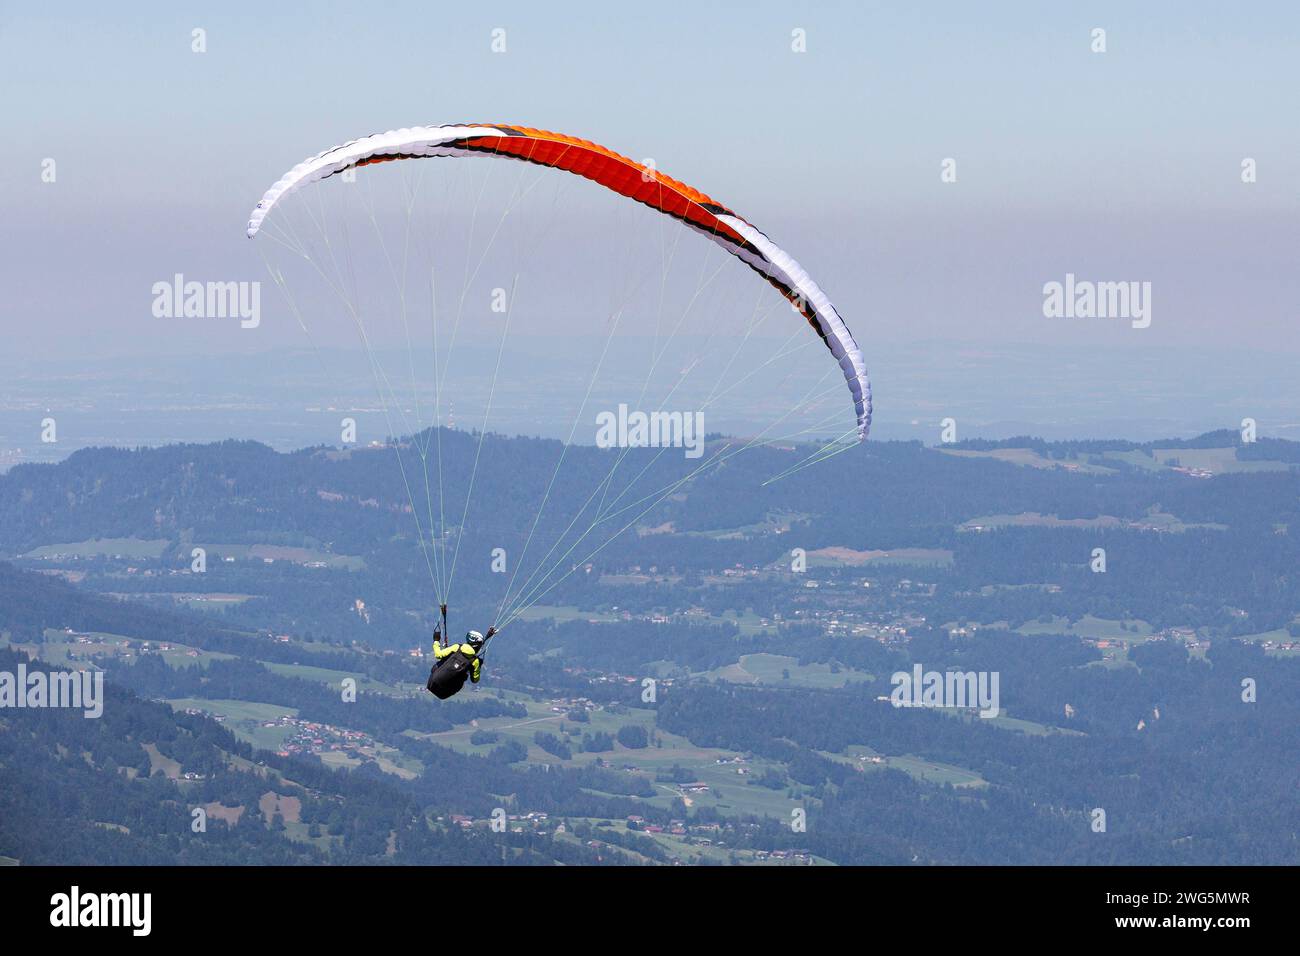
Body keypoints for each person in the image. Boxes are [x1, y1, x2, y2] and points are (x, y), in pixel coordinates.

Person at [425, 604, 494, 700]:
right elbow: (475, 680)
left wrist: (436, 640)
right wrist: (478, 666)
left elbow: (438, 654)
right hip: (444, 694)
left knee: (441, 662)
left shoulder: (457, 647)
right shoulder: (475, 661)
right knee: (463, 677)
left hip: (432, 683)